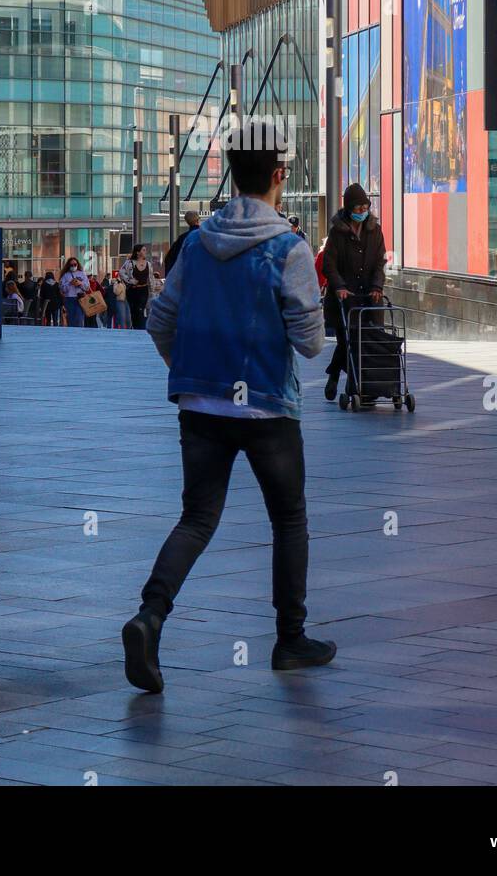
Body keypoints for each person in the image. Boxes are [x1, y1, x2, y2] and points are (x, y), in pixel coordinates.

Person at [121, 119, 335, 695]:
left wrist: (191, 374)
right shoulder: (288, 248)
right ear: (278, 176)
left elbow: (159, 319)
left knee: (197, 518)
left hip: (200, 407)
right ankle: (290, 639)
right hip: (267, 409)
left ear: (231, 175)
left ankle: (150, 616)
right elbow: (311, 342)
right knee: (288, 519)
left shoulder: (195, 243)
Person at [322, 184, 386, 402]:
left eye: (365, 207)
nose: (362, 211)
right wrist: (339, 285)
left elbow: (379, 262)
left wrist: (377, 286)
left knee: (363, 340)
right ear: (349, 208)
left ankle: (353, 381)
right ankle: (350, 383)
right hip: (344, 298)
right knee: (346, 341)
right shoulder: (337, 232)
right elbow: (329, 264)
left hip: (368, 297)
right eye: (358, 208)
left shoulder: (375, 230)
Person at [120, 245, 151, 330]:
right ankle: (135, 328)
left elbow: (151, 279)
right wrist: (130, 280)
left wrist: (152, 292)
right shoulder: (129, 263)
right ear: (138, 252)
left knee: (140, 310)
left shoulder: (148, 264)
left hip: (143, 290)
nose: (145, 252)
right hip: (132, 290)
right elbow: (121, 272)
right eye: (143, 250)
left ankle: (140, 329)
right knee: (133, 311)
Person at [164, 211, 200, 277]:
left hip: (187, 275)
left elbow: (169, 259)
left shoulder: (182, 238)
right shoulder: (206, 236)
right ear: (198, 220)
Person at [60, 256, 90, 329]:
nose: (73, 266)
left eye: (75, 264)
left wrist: (80, 283)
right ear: (68, 265)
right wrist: (70, 283)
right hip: (69, 299)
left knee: (79, 319)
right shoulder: (65, 275)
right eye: (71, 265)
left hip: (80, 298)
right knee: (71, 320)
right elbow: (62, 289)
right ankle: (71, 337)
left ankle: (79, 336)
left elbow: (87, 287)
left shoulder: (82, 274)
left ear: (77, 264)